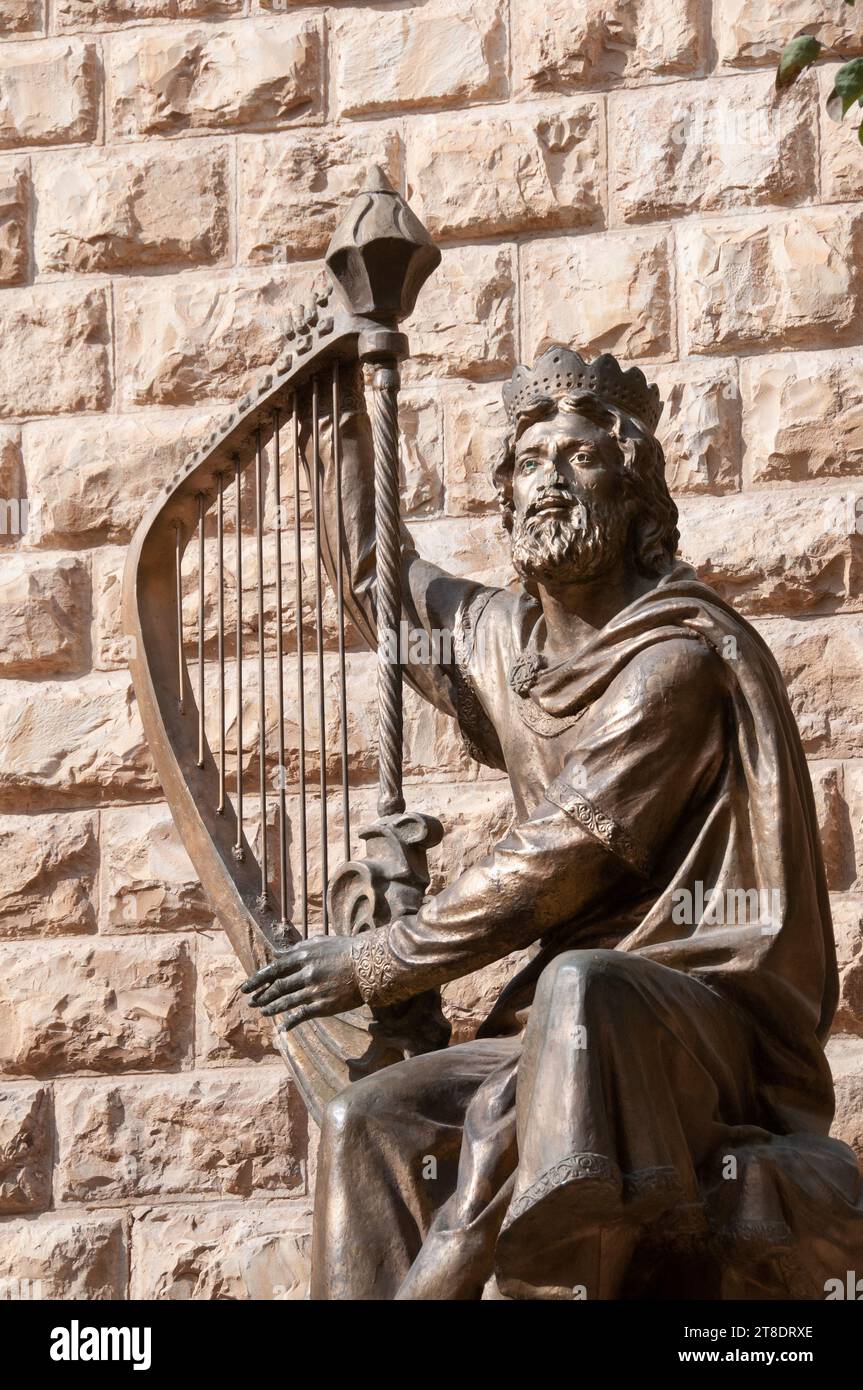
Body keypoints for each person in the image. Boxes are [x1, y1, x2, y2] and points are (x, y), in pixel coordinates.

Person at [243, 346, 863, 1300]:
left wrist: (378, 960)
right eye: (529, 462)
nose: (549, 481)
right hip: (553, 1029)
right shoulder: (503, 640)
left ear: (634, 491)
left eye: (579, 458)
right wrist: (332, 412)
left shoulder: (674, 661)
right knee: (364, 1119)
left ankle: (551, 1241)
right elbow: (378, 583)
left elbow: (557, 858)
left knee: (584, 983)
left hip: (698, 1019)